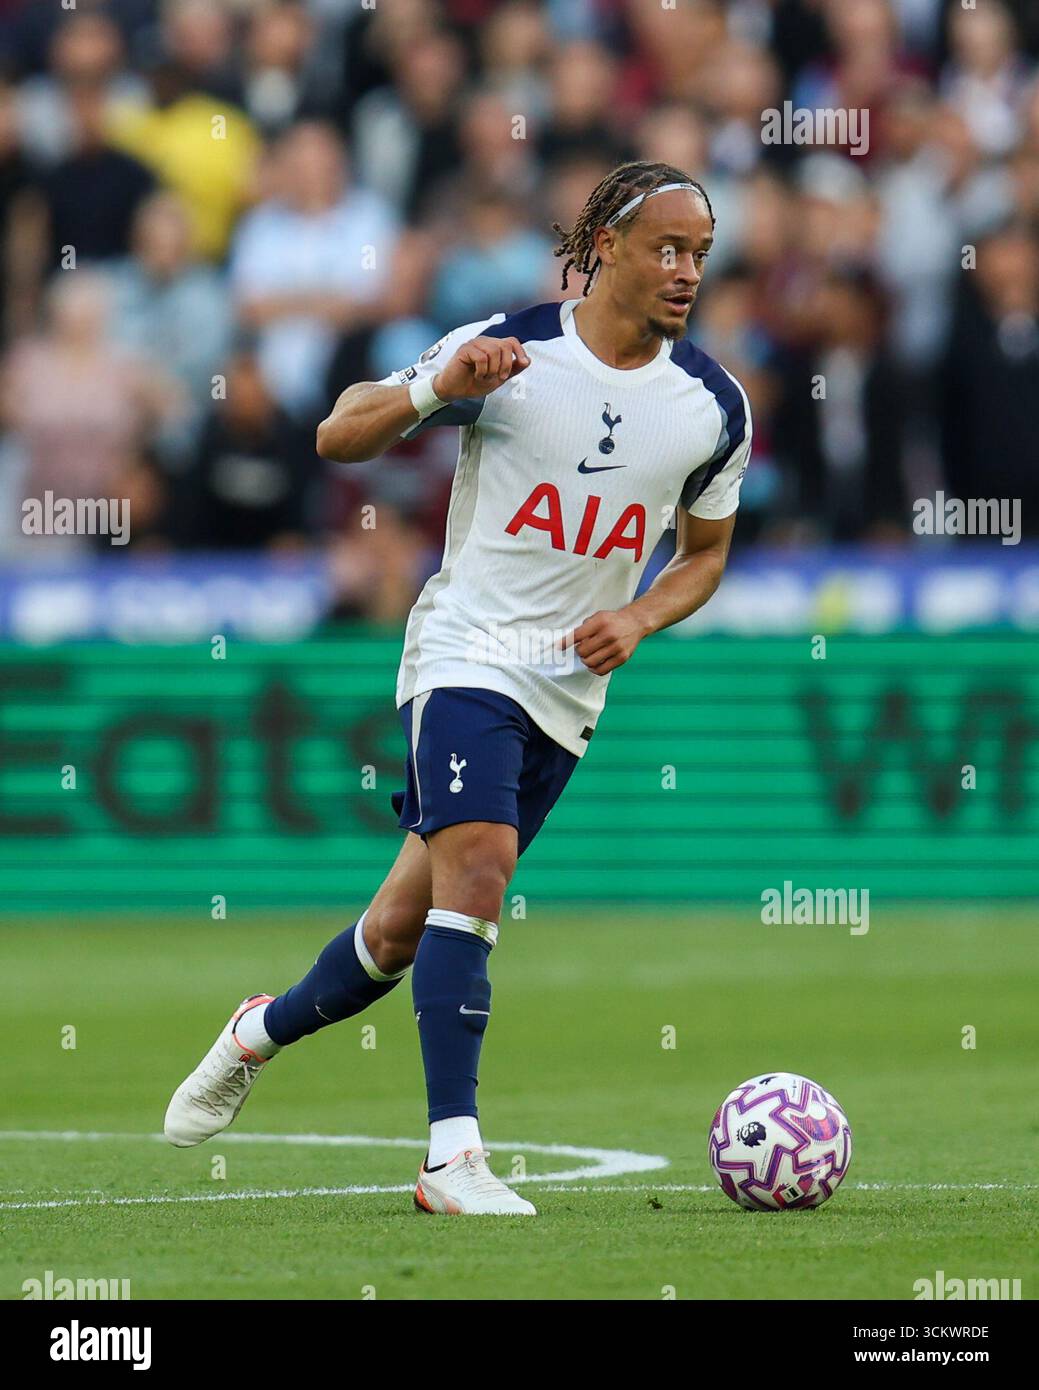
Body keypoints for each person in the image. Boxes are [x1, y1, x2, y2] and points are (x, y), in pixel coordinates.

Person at [163, 161, 753, 1215]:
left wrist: (640, 612)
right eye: (666, 247)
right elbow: (338, 431)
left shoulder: (710, 405)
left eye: (699, 254)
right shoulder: (514, 347)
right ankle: (450, 1157)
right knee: (478, 868)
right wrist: (441, 387)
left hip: (567, 694)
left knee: (396, 933)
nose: (684, 271)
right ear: (605, 245)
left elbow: (704, 554)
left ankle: (257, 1029)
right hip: (466, 651)